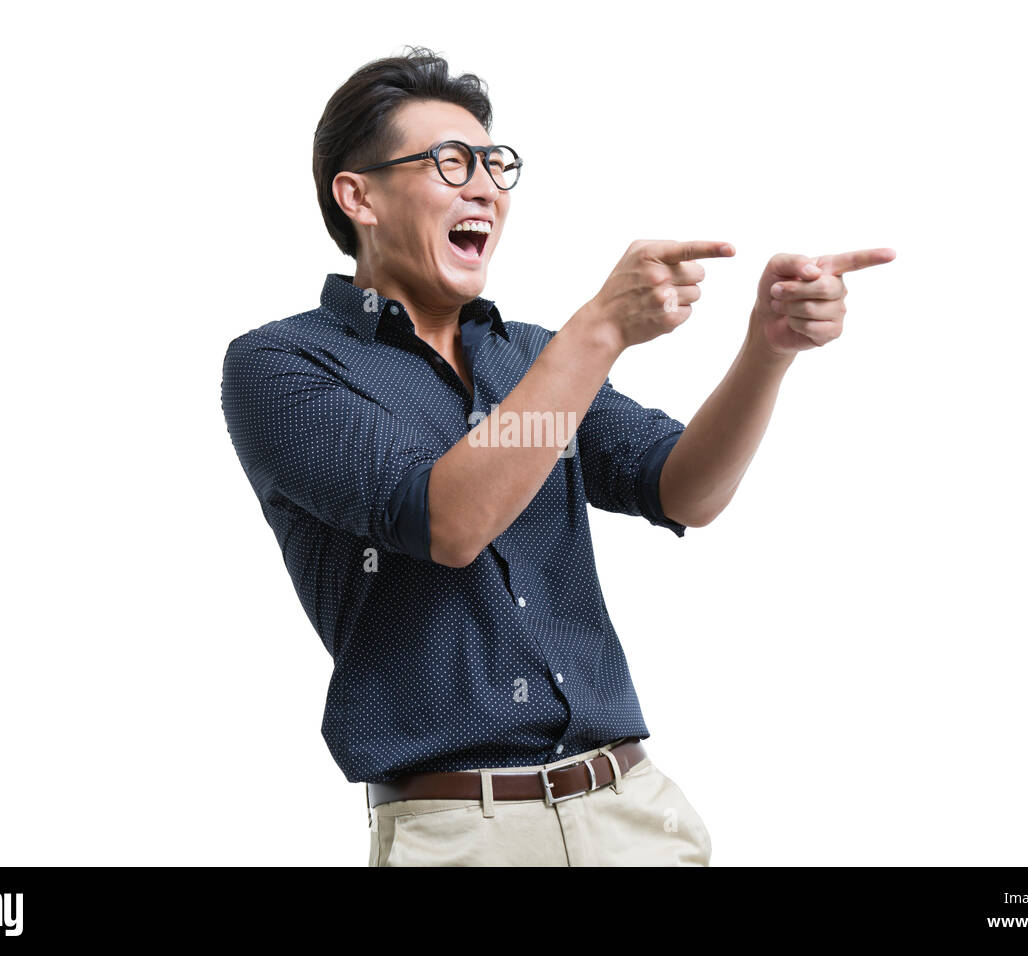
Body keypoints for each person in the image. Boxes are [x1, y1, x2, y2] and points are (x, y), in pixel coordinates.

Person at [220, 45, 894, 866]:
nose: (484, 189)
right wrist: (600, 330)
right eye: (450, 162)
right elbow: (451, 517)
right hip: (462, 835)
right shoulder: (284, 365)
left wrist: (767, 349)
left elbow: (684, 489)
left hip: (632, 812)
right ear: (357, 195)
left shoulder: (531, 360)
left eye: (495, 166)